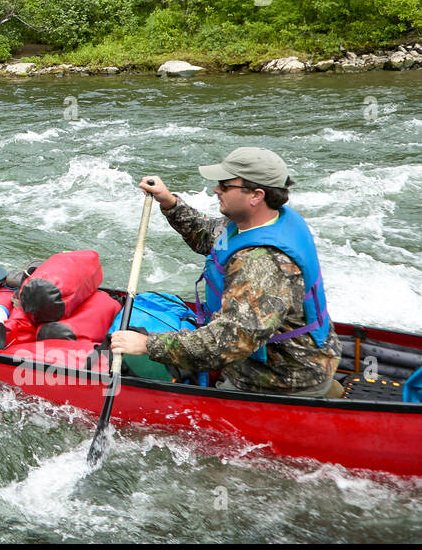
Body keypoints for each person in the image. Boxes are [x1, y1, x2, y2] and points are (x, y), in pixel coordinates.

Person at [111, 147, 343, 397]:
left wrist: (147, 344)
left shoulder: (262, 263)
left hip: (279, 378)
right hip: (283, 357)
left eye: (225, 185)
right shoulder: (256, 222)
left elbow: (228, 343)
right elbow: (207, 236)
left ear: (256, 195)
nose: (216, 189)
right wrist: (169, 202)